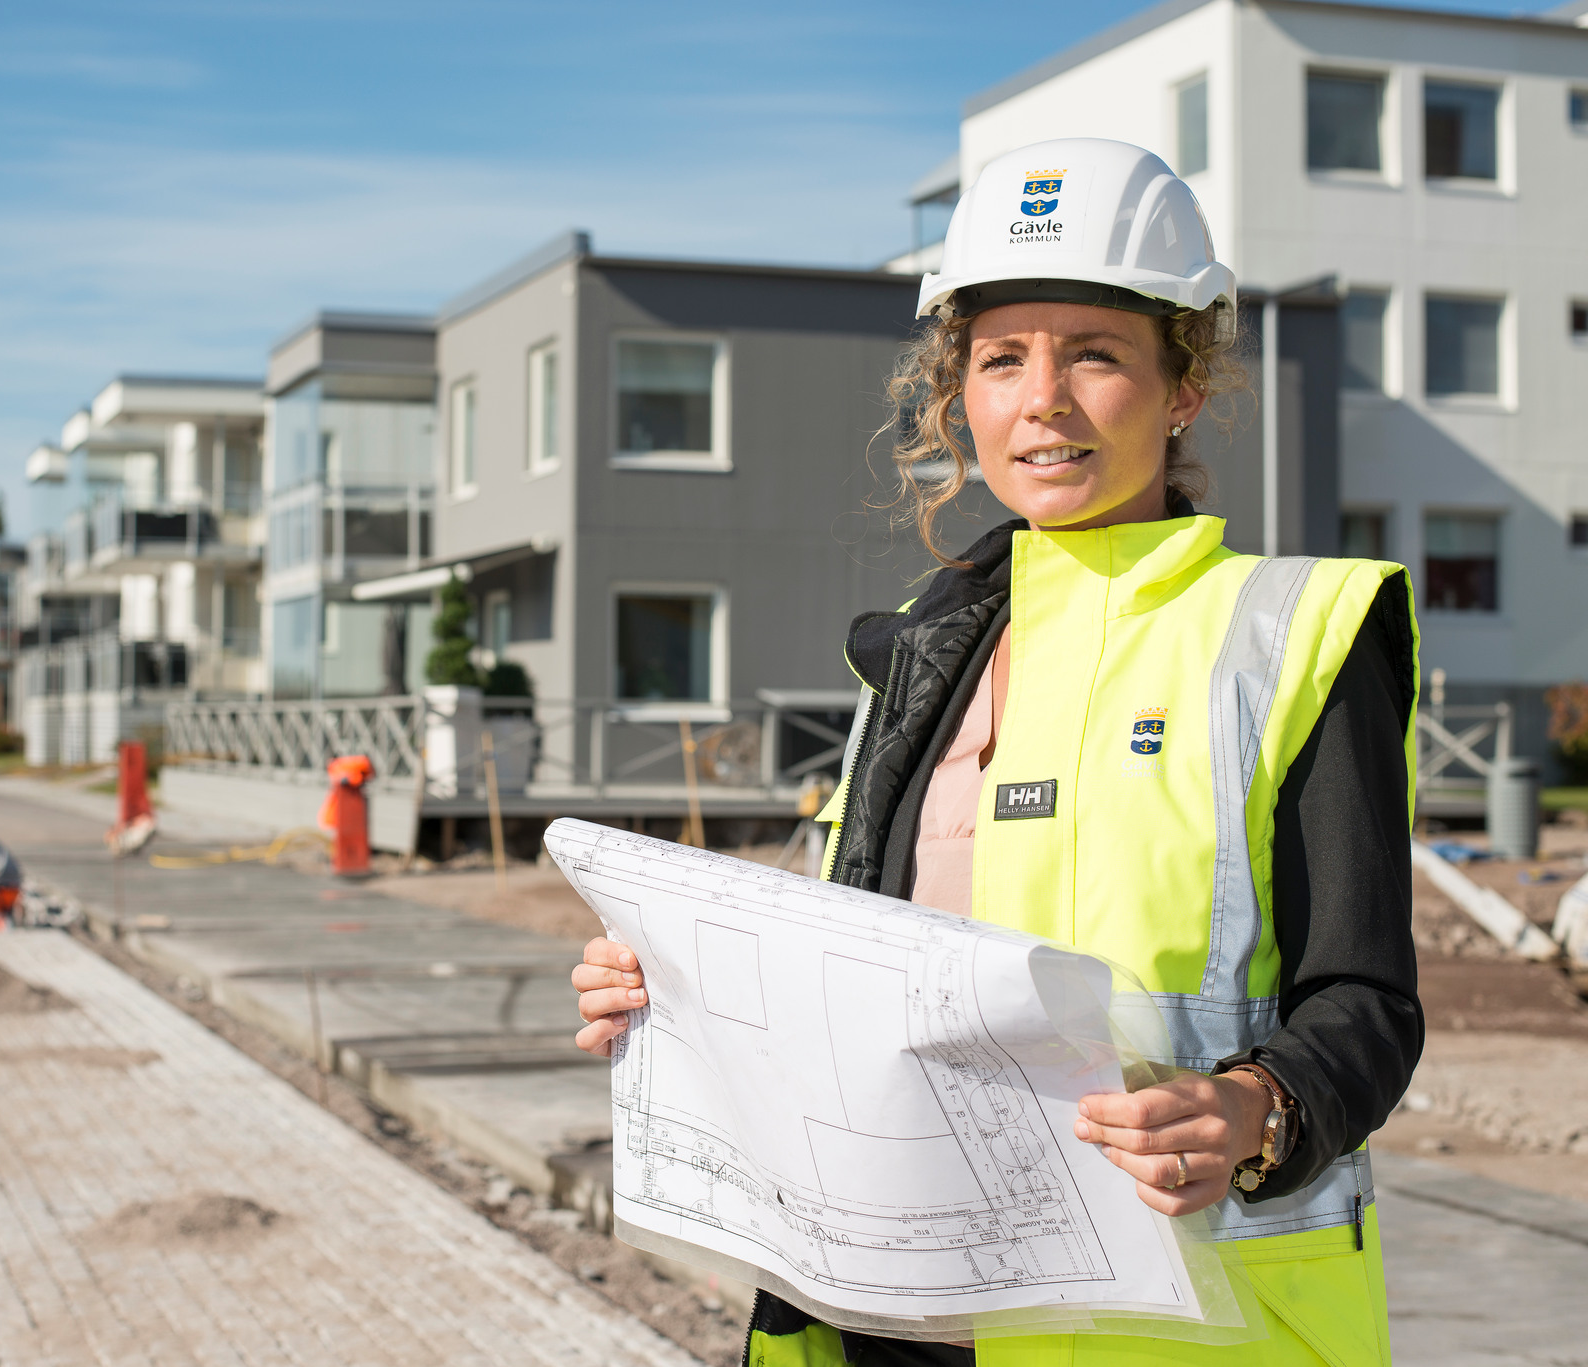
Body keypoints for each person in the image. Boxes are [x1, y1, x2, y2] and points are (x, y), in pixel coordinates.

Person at [572, 138, 1419, 1367]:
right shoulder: (921, 652)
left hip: (1162, 1315)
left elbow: (1368, 1000)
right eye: (1001, 358)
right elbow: (851, 968)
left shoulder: (1290, 632)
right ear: (954, 391)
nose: (1044, 400)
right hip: (886, 1299)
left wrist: (1256, 1104)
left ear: (1183, 386)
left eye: (1096, 354)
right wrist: (676, 985)